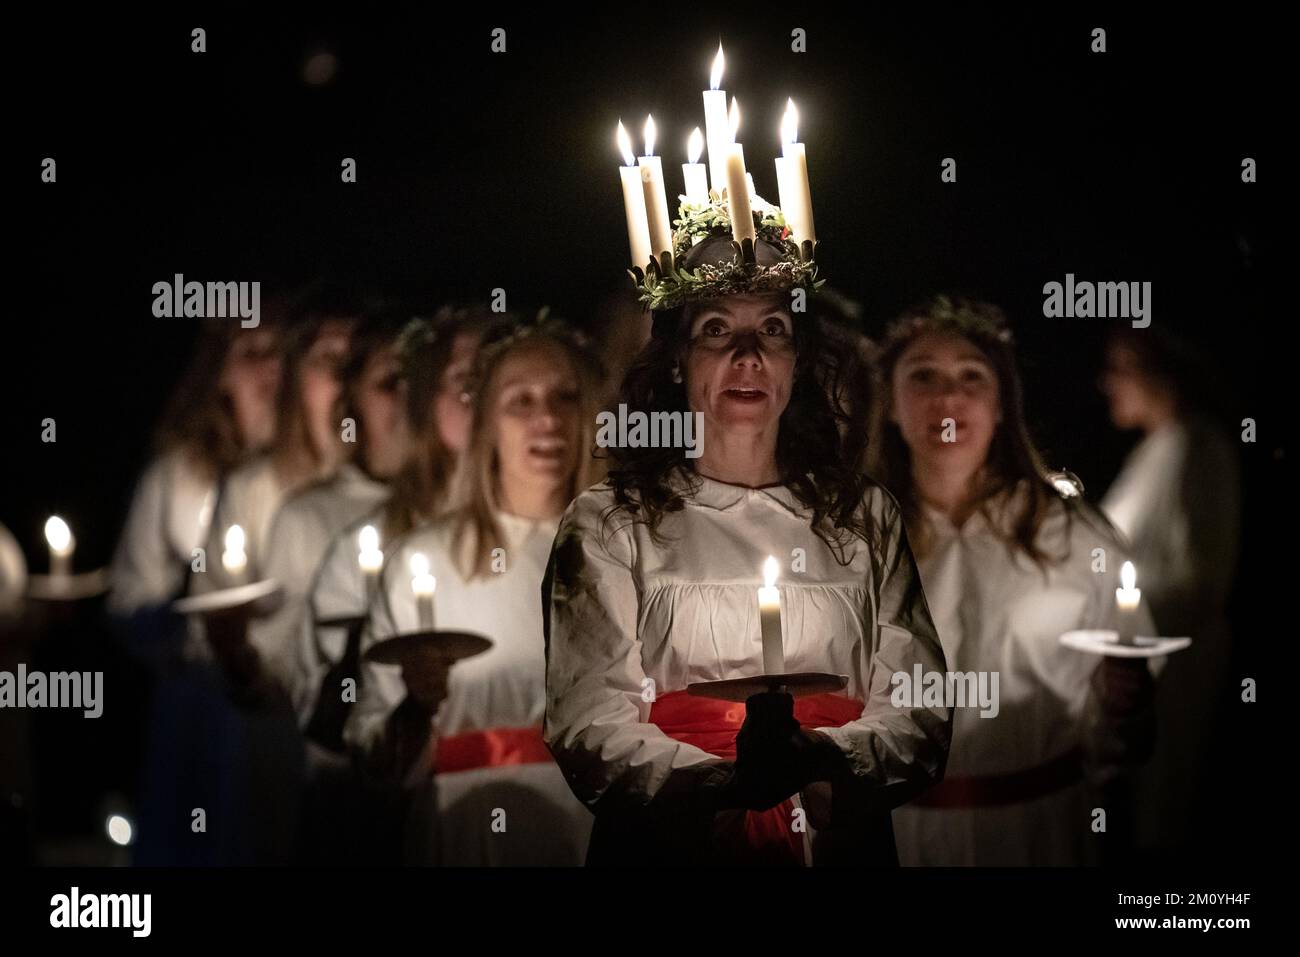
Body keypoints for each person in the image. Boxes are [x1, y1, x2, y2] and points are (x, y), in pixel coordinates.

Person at [542, 196, 952, 867]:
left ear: (797, 361)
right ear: (676, 359)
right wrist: (727, 783)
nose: (747, 355)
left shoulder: (861, 516)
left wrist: (820, 758)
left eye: (772, 330)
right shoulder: (612, 522)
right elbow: (589, 722)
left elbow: (920, 709)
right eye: (715, 330)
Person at [869, 295, 1157, 866]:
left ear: (1001, 405)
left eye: (971, 376)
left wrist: (1128, 701)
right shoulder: (859, 540)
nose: (948, 397)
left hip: (1046, 829)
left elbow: (1132, 694)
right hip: (905, 838)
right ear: (892, 405)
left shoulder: (1073, 536)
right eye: (923, 375)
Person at [347, 314, 606, 866]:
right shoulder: (427, 560)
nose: (548, 419)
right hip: (462, 828)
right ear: (487, 422)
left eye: (565, 397)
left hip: (591, 830)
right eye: (521, 401)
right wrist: (415, 708)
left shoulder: (617, 553)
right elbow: (371, 747)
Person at [1098, 326, 1240, 859]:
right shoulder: (1156, 450)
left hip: (1177, 665)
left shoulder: (1198, 447)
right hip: (1138, 665)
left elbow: (1200, 580)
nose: (1105, 382)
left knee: (1164, 808)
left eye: (1119, 368)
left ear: (1156, 373)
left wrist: (1107, 603)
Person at [248, 307, 411, 693]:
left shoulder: (458, 510)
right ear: (352, 401)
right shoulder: (305, 517)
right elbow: (273, 661)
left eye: (417, 384)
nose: (408, 402)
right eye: (389, 384)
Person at [108, 317, 282, 625]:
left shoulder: (312, 476)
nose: (272, 365)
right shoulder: (175, 476)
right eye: (252, 353)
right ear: (220, 372)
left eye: (281, 350)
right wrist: (183, 616)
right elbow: (128, 600)